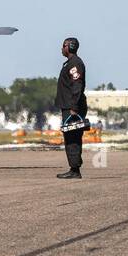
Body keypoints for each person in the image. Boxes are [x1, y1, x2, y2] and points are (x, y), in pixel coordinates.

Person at [55, 36, 87, 180]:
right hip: (69, 106)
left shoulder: (75, 64)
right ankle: (74, 167)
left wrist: (73, 107)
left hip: (72, 107)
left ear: (69, 47)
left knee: (72, 138)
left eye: (63, 46)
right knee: (70, 137)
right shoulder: (70, 63)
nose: (62, 48)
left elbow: (77, 85)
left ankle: (75, 170)